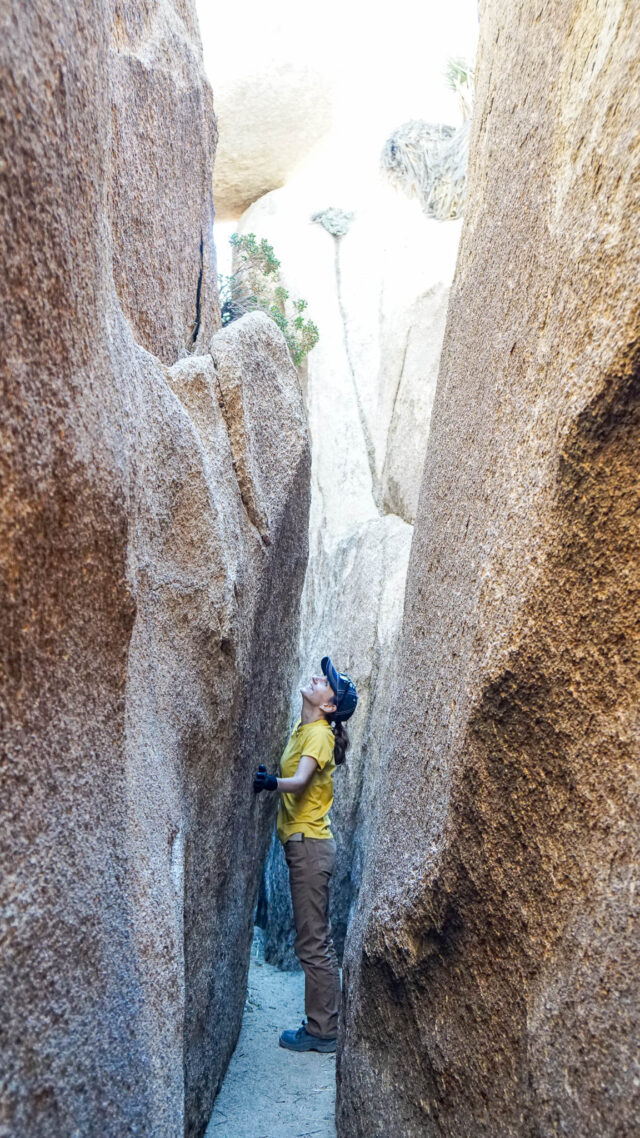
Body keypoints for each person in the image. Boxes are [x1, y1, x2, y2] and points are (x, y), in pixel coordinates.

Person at [253, 655, 358, 1053]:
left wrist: (268, 783)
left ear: (329, 706)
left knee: (313, 942)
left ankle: (323, 1030)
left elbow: (298, 783)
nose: (316, 678)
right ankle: (323, 1023)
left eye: (324, 682)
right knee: (313, 939)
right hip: (305, 845)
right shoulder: (307, 729)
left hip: (310, 847)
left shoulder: (319, 735)